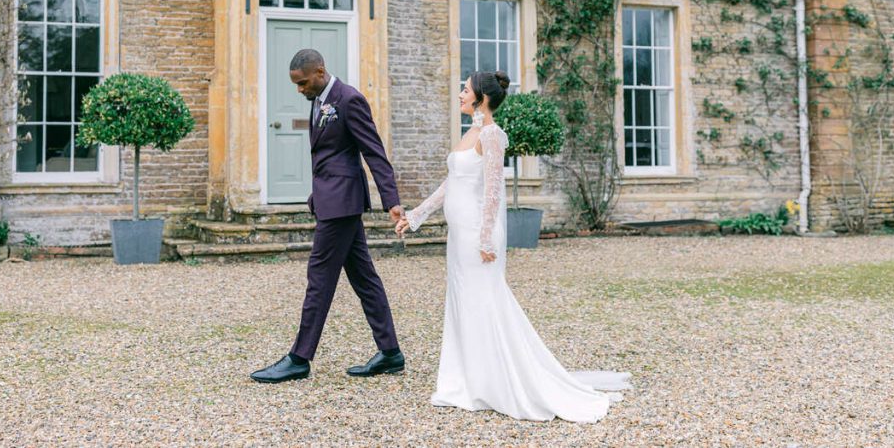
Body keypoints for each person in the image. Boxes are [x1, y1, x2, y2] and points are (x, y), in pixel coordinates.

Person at [396, 70, 631, 422]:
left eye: (465, 89)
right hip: (458, 235)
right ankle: (465, 380)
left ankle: (494, 382)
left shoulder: (491, 135)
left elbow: (493, 190)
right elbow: (452, 184)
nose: (460, 93)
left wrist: (487, 237)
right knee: (463, 302)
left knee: (484, 302)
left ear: (481, 99)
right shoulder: (471, 132)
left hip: (478, 235)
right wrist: (415, 217)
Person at [250, 49, 407, 383]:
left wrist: (390, 199)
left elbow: (373, 151)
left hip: (342, 204)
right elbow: (328, 155)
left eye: (303, 82)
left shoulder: (349, 100)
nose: (299, 90)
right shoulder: (319, 100)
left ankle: (299, 358)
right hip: (332, 200)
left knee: (319, 279)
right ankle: (390, 353)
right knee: (364, 278)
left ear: (319, 71)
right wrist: (316, 194)